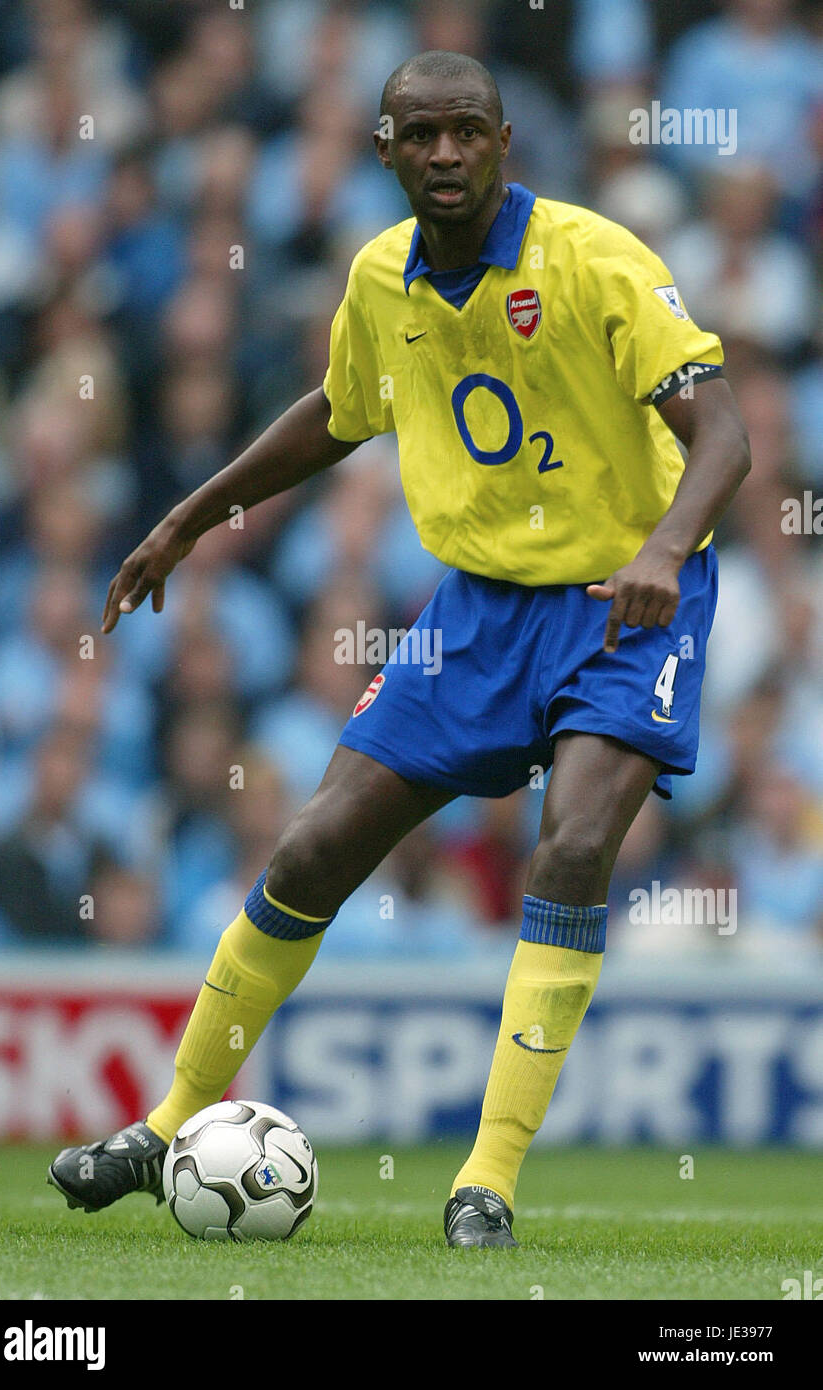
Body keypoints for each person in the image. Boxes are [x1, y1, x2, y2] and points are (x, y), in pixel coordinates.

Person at [48, 51, 750, 1248]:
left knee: (571, 850)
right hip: (476, 611)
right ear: (383, 150)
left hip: (624, 595)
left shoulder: (591, 258)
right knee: (314, 845)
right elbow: (336, 409)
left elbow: (723, 427)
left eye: (464, 132)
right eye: (418, 134)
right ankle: (163, 1124)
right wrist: (186, 517)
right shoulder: (381, 279)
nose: (442, 154)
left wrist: (665, 549)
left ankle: (485, 1180)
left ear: (502, 144)